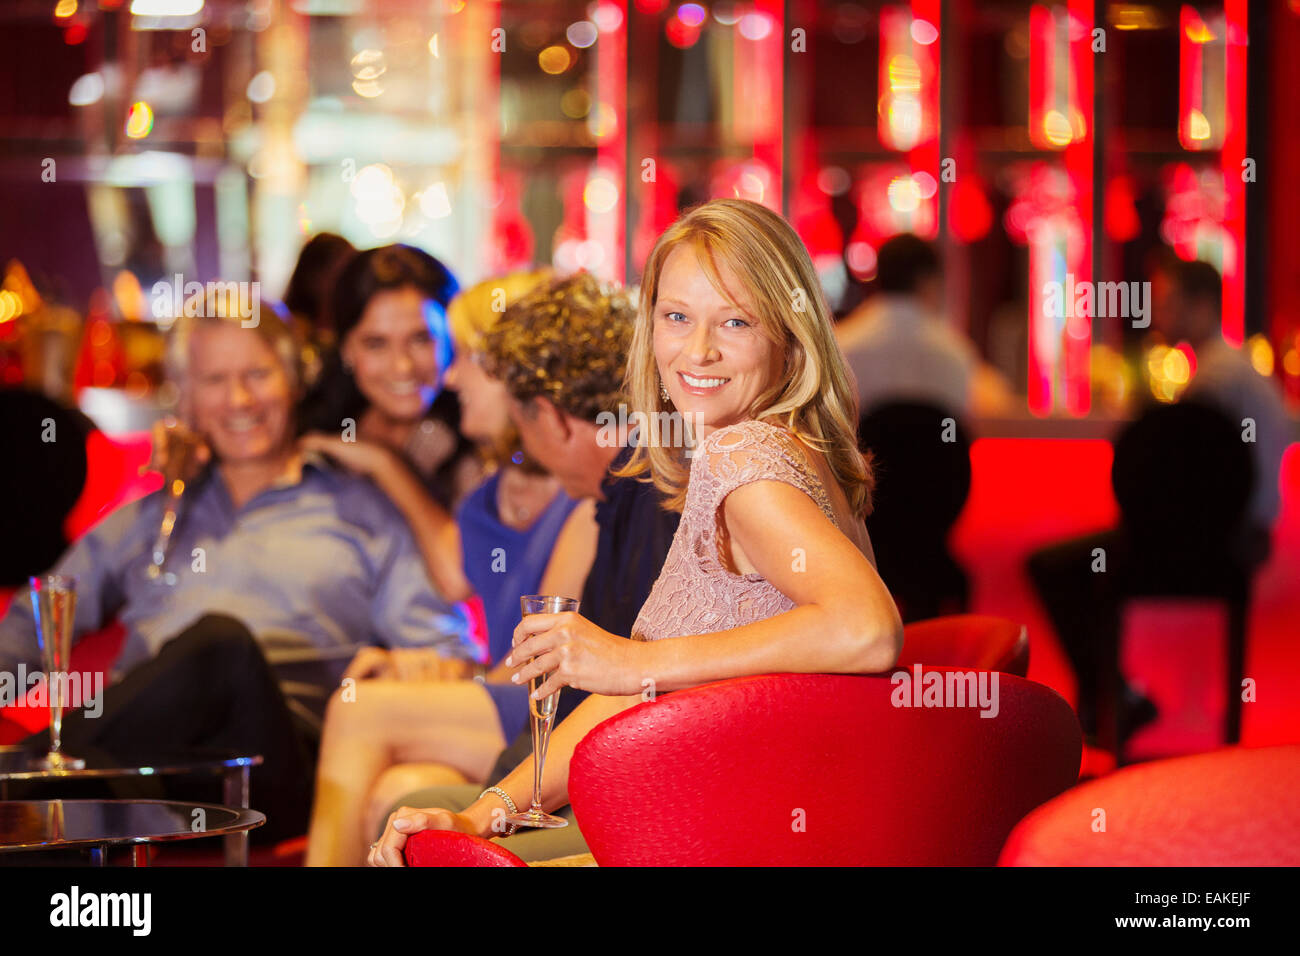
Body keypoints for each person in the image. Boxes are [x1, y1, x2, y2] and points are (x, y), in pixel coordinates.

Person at [368, 199, 903, 866]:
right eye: (677, 317)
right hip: (741, 819)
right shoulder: (768, 450)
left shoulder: (746, 459)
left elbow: (868, 630)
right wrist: (486, 813)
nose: (698, 350)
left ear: (788, 335)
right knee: (441, 834)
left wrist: (634, 660)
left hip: (745, 834)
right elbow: (632, 683)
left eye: (735, 321)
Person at [0, 292, 477, 842]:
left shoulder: (361, 510)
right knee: (73, 825)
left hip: (280, 770)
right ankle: (39, 797)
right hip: (146, 771)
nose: (240, 399)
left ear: (294, 379)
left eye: (257, 374)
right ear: (185, 398)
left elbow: (447, 654)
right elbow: (39, 616)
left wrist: (404, 667)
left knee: (223, 646)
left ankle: (21, 785)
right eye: (214, 381)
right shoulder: (156, 511)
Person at [363, 270, 683, 864]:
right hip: (594, 773)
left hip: (640, 795)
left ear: (554, 418)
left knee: (411, 806)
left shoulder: (652, 502)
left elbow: (634, 695)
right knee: (409, 800)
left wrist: (491, 807)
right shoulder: (626, 495)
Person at [303, 271, 590, 866]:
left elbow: (537, 662)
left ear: (522, 378)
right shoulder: (486, 488)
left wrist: (443, 675)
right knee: (395, 790)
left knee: (356, 706)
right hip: (500, 700)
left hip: (551, 715)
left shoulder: (582, 487)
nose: (448, 377)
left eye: (464, 359)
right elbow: (456, 578)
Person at [1026, 254, 1291, 746]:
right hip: (1232, 538)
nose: (1158, 316)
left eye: (1167, 304)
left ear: (1200, 304)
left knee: (1055, 567)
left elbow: (1172, 487)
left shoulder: (1215, 381)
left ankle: (1113, 702)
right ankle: (1113, 701)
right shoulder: (1231, 370)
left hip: (1211, 541)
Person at [297, 244, 478, 515]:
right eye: (376, 344)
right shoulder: (313, 429)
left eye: (420, 339)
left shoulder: (478, 445)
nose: (403, 366)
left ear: (452, 339)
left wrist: (384, 464)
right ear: (346, 349)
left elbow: (461, 557)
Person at [834, 233, 977, 418]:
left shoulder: (840, 347)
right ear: (926, 280)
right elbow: (955, 432)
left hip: (860, 448)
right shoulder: (957, 353)